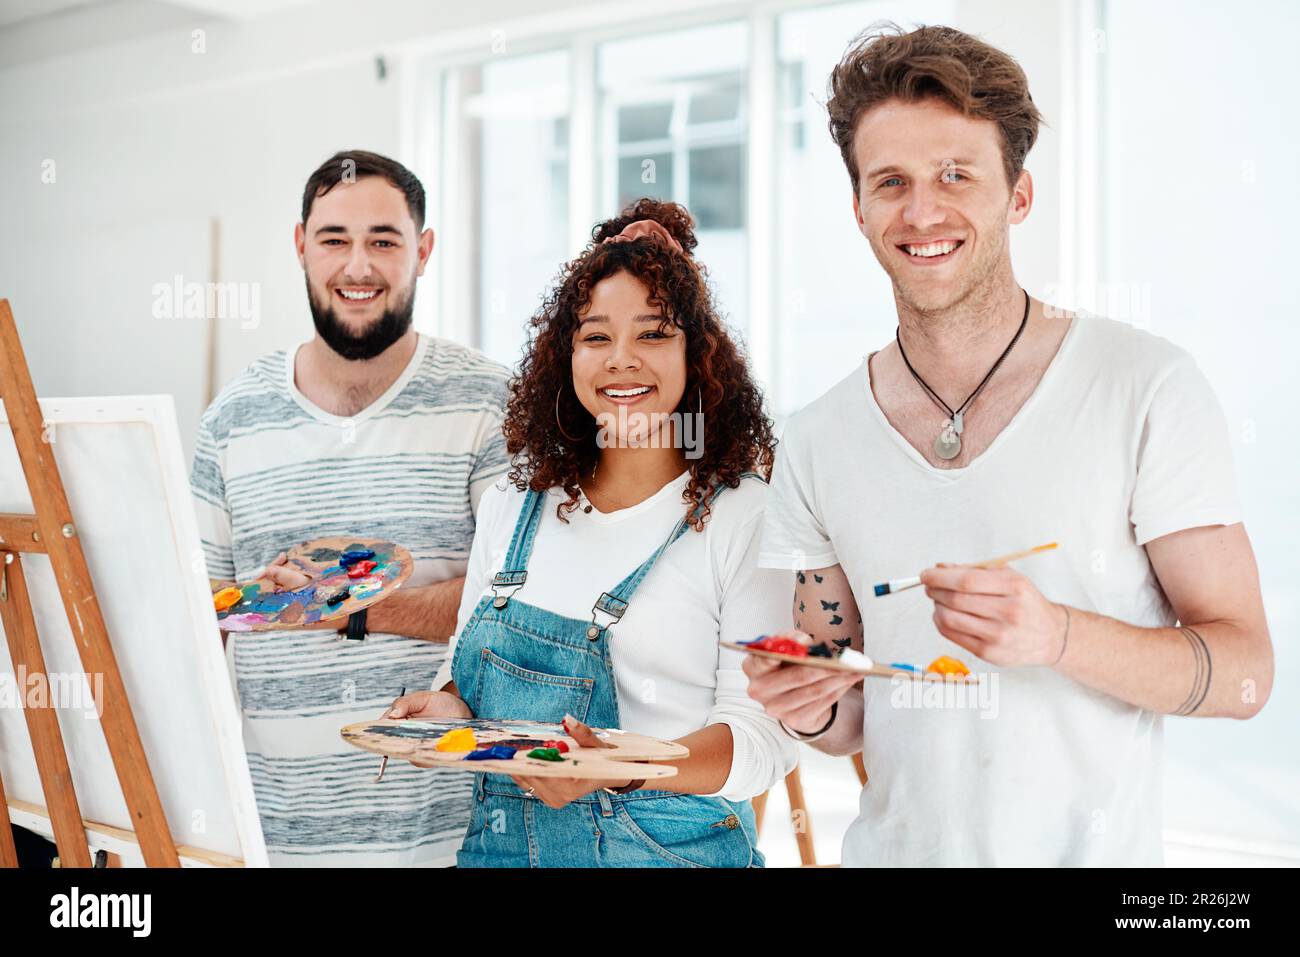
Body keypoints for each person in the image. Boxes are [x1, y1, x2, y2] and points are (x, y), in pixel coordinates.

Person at [747, 24, 1273, 866]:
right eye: (891, 182)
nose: (922, 211)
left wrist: (1058, 635)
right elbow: (847, 721)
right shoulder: (814, 439)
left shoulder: (1146, 386)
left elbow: (1247, 673)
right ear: (858, 209)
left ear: (1017, 195)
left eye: (957, 174)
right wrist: (806, 701)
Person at [388, 198, 798, 867]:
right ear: (565, 353)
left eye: (654, 333)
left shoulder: (743, 516)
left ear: (698, 353)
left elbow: (764, 741)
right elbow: (463, 683)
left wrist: (618, 765)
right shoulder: (512, 505)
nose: (622, 360)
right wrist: (441, 712)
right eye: (597, 336)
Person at [190, 150, 509, 866]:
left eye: (384, 241)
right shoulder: (232, 419)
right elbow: (199, 620)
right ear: (300, 245)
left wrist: (354, 606)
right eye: (334, 239)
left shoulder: (491, 403)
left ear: (422, 252)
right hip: (274, 836)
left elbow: (514, 607)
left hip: (451, 838)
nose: (357, 266)